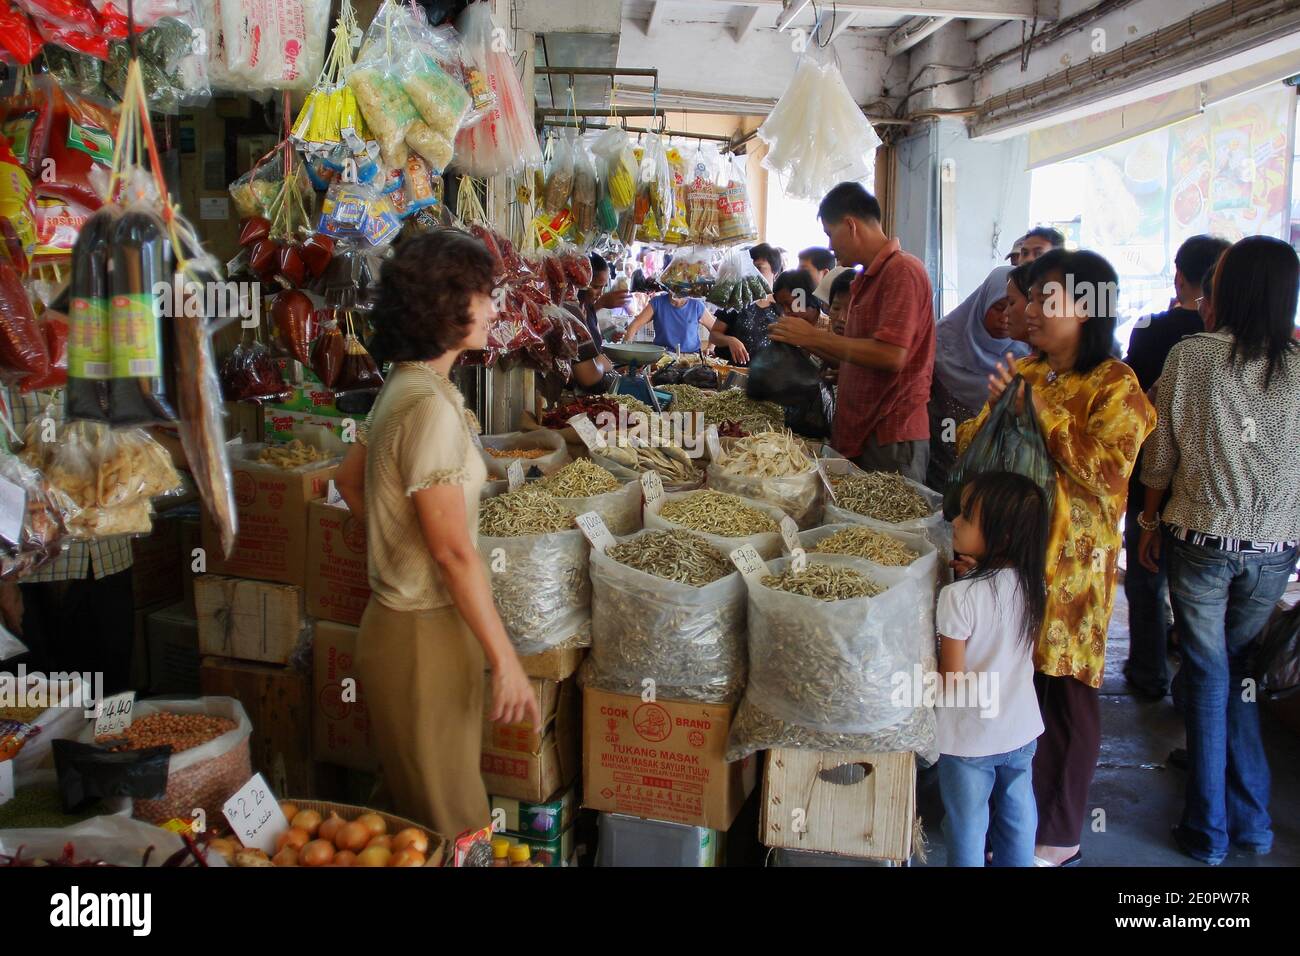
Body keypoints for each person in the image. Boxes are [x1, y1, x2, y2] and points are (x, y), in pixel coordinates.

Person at [332, 230, 540, 839]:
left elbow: (349, 481)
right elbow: (451, 552)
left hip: (406, 628)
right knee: (456, 825)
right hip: (422, 636)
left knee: (412, 820)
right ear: (445, 304)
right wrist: (505, 660)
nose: (494, 308)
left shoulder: (406, 385)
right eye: (484, 295)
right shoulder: (428, 405)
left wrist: (394, 540)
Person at [957, 248, 1155, 867]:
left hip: (1071, 573)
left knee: (1065, 696)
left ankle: (1060, 835)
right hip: (1009, 564)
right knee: (1018, 692)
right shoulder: (1029, 371)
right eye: (1033, 297)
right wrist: (998, 412)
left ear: (1088, 307)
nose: (1032, 311)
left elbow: (1109, 473)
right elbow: (973, 447)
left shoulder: (1116, 384)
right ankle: (1015, 826)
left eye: (1049, 298)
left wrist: (1041, 415)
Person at [1137, 236, 1300, 866]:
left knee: (1210, 676)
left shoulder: (1193, 356)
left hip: (1200, 542)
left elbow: (1160, 455)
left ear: (1226, 290)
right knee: (1237, 675)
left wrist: (1148, 521)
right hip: (1275, 552)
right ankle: (1252, 823)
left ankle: (1208, 831)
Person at [1120, 235, 1229, 701]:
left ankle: (1149, 672)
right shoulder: (1248, 344)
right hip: (1209, 492)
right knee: (1202, 602)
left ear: (1179, 276)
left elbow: (1138, 404)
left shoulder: (1152, 330)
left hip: (1151, 475)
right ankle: (1192, 687)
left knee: (1147, 580)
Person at [770, 182, 934, 483]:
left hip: (889, 432)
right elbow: (859, 352)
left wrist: (812, 337)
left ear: (850, 225)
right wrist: (806, 343)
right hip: (859, 429)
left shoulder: (903, 271)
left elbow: (892, 355)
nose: (830, 246)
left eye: (830, 234)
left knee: (887, 513)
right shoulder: (864, 279)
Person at [937, 472, 1049, 867]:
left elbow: (952, 680)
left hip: (969, 738)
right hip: (1020, 729)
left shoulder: (957, 596)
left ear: (1002, 537)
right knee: (1018, 816)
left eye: (967, 516)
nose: (954, 521)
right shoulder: (1034, 584)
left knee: (967, 824)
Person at [0, 384, 136, 694]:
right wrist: (3, 584)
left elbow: (134, 432)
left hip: (105, 558)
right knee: (31, 704)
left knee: (108, 698)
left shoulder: (108, 365)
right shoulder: (12, 367)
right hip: (27, 570)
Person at [927, 266, 1031, 491]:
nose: (1004, 317)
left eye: (1011, 307)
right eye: (998, 308)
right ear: (983, 302)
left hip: (994, 467)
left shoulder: (1027, 354)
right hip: (940, 451)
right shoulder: (944, 337)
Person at [623, 290, 717, 354]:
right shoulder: (657, 302)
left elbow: (715, 329)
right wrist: (625, 352)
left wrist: (710, 348)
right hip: (662, 357)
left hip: (692, 357)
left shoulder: (696, 305)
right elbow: (634, 326)